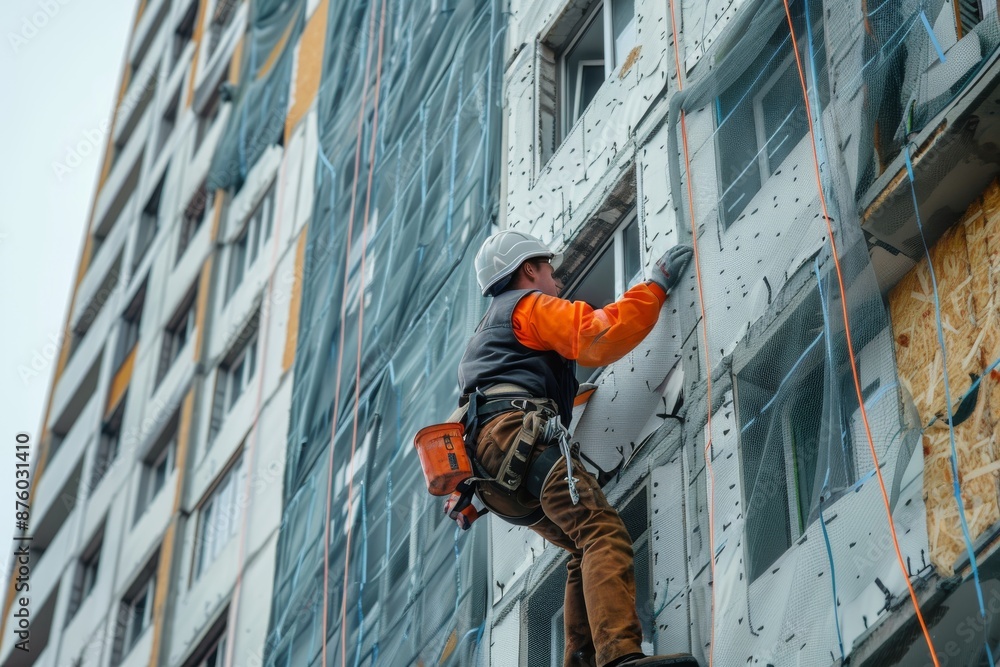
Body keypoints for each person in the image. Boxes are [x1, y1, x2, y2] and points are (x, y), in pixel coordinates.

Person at [455, 229, 698, 667]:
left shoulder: (483, 341)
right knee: (602, 530)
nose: (558, 283)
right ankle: (621, 656)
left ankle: (582, 663)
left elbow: (492, 406)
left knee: (579, 546)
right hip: (517, 440)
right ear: (528, 270)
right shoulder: (526, 306)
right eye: (550, 270)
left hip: (494, 476)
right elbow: (598, 335)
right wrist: (655, 286)